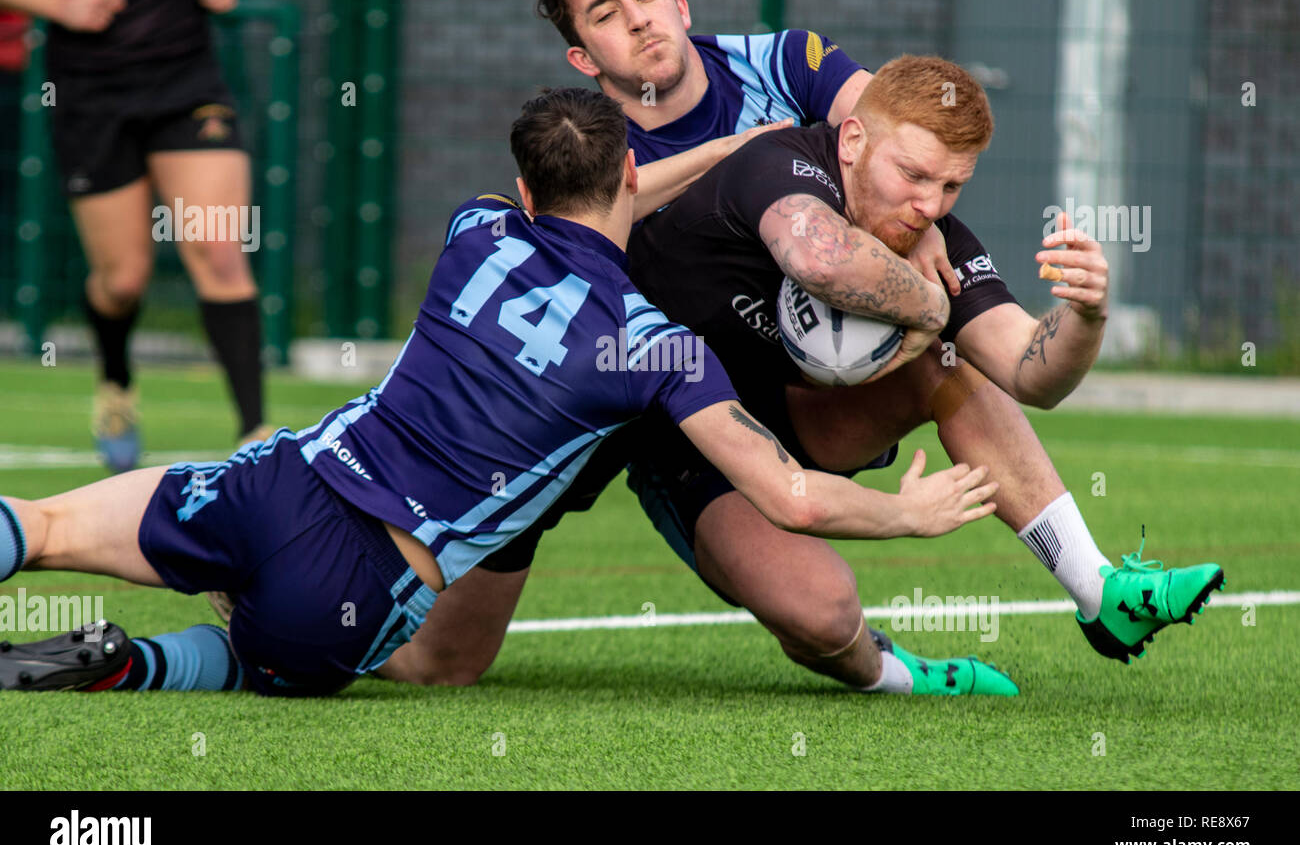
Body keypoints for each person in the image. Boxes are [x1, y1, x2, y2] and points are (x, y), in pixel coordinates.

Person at [379, 0, 1223, 690]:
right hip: (642, 408)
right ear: (582, 58)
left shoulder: (781, 66)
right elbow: (570, 232)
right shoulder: (592, 146)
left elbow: (890, 135)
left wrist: (931, 231)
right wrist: (730, 157)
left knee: (941, 371)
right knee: (444, 666)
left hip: (798, 395)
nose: (638, 21)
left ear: (678, 1)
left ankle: (1092, 587)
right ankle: (295, 563)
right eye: (604, 14)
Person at [0, 86, 1014, 698]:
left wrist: (703, 158)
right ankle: (130, 661)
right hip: (356, 586)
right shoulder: (654, 345)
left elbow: (580, 193)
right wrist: (908, 513)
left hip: (285, 481)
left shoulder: (473, 228)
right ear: (628, 177)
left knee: (42, 524)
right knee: (250, 653)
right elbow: (790, 494)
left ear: (525, 190)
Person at [0, 0, 269, 471]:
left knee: (219, 249)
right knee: (121, 282)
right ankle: (116, 382)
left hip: (187, 86)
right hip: (90, 93)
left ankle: (253, 432)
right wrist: (59, 4)